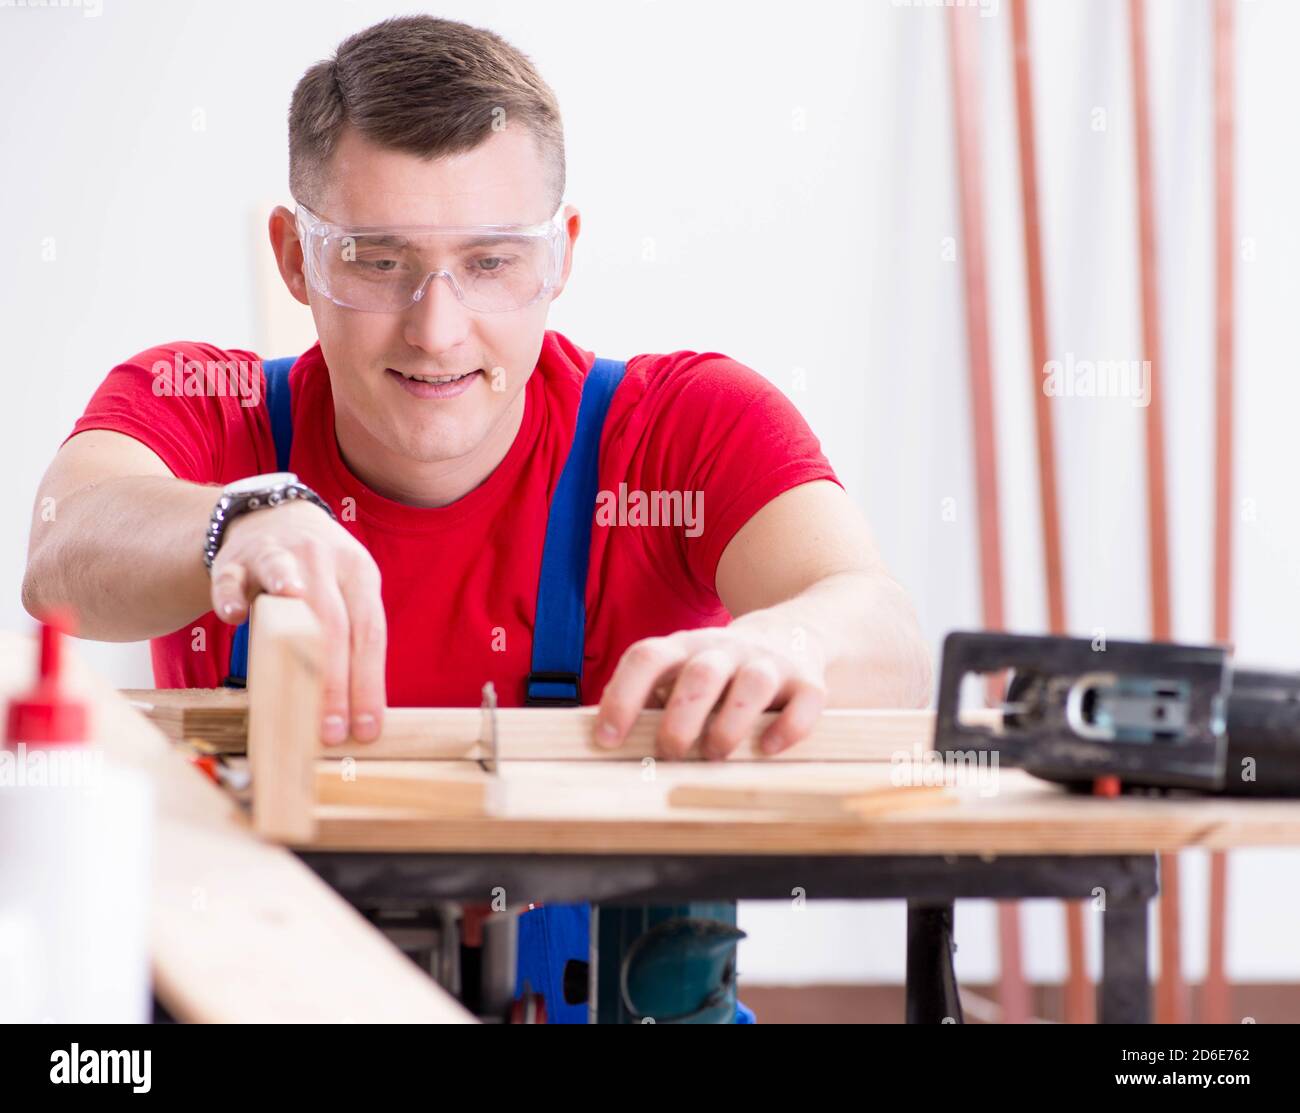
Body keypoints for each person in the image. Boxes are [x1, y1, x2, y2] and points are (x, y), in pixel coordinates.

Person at [21, 14, 930, 1022]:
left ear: (561, 254)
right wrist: (242, 518)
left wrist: (790, 641)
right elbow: (62, 548)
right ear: (295, 258)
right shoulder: (201, 407)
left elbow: (880, 628)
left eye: (491, 262)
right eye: (377, 260)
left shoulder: (686, 426)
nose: (437, 328)